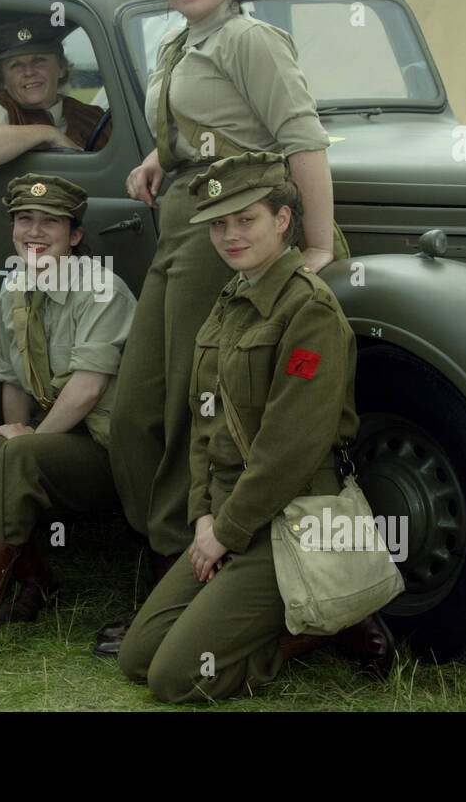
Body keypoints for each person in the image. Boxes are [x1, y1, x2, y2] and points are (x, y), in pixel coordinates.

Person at [100, 0, 349, 656]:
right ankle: (171, 568)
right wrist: (158, 156)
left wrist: (313, 242)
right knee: (140, 405)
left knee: (191, 407)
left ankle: (185, 590)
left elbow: (301, 136)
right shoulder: (178, 42)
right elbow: (200, 125)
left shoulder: (248, 39)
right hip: (186, 220)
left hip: (232, 227)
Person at [117, 152, 392, 703]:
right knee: (137, 657)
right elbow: (203, 426)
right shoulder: (229, 300)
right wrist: (201, 517)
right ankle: (274, 616)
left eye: (247, 220)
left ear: (284, 220)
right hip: (226, 515)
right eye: (219, 224)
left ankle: (312, 629)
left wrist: (227, 532)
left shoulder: (308, 310)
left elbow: (289, 452)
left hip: (286, 520)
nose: (230, 235)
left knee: (175, 679)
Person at [0, 173, 137, 655]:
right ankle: (34, 581)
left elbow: (85, 391)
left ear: (74, 235)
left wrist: (26, 441)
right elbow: (12, 375)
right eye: (23, 220)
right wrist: (12, 433)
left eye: (49, 223)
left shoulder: (102, 290)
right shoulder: (15, 286)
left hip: (110, 448)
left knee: (16, 456)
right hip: (57, 438)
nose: (33, 232)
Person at [0, 22, 111, 168]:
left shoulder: (93, 116)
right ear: (2, 78)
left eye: (39, 60)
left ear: (61, 68)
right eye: (16, 65)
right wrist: (48, 133)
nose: (29, 72)